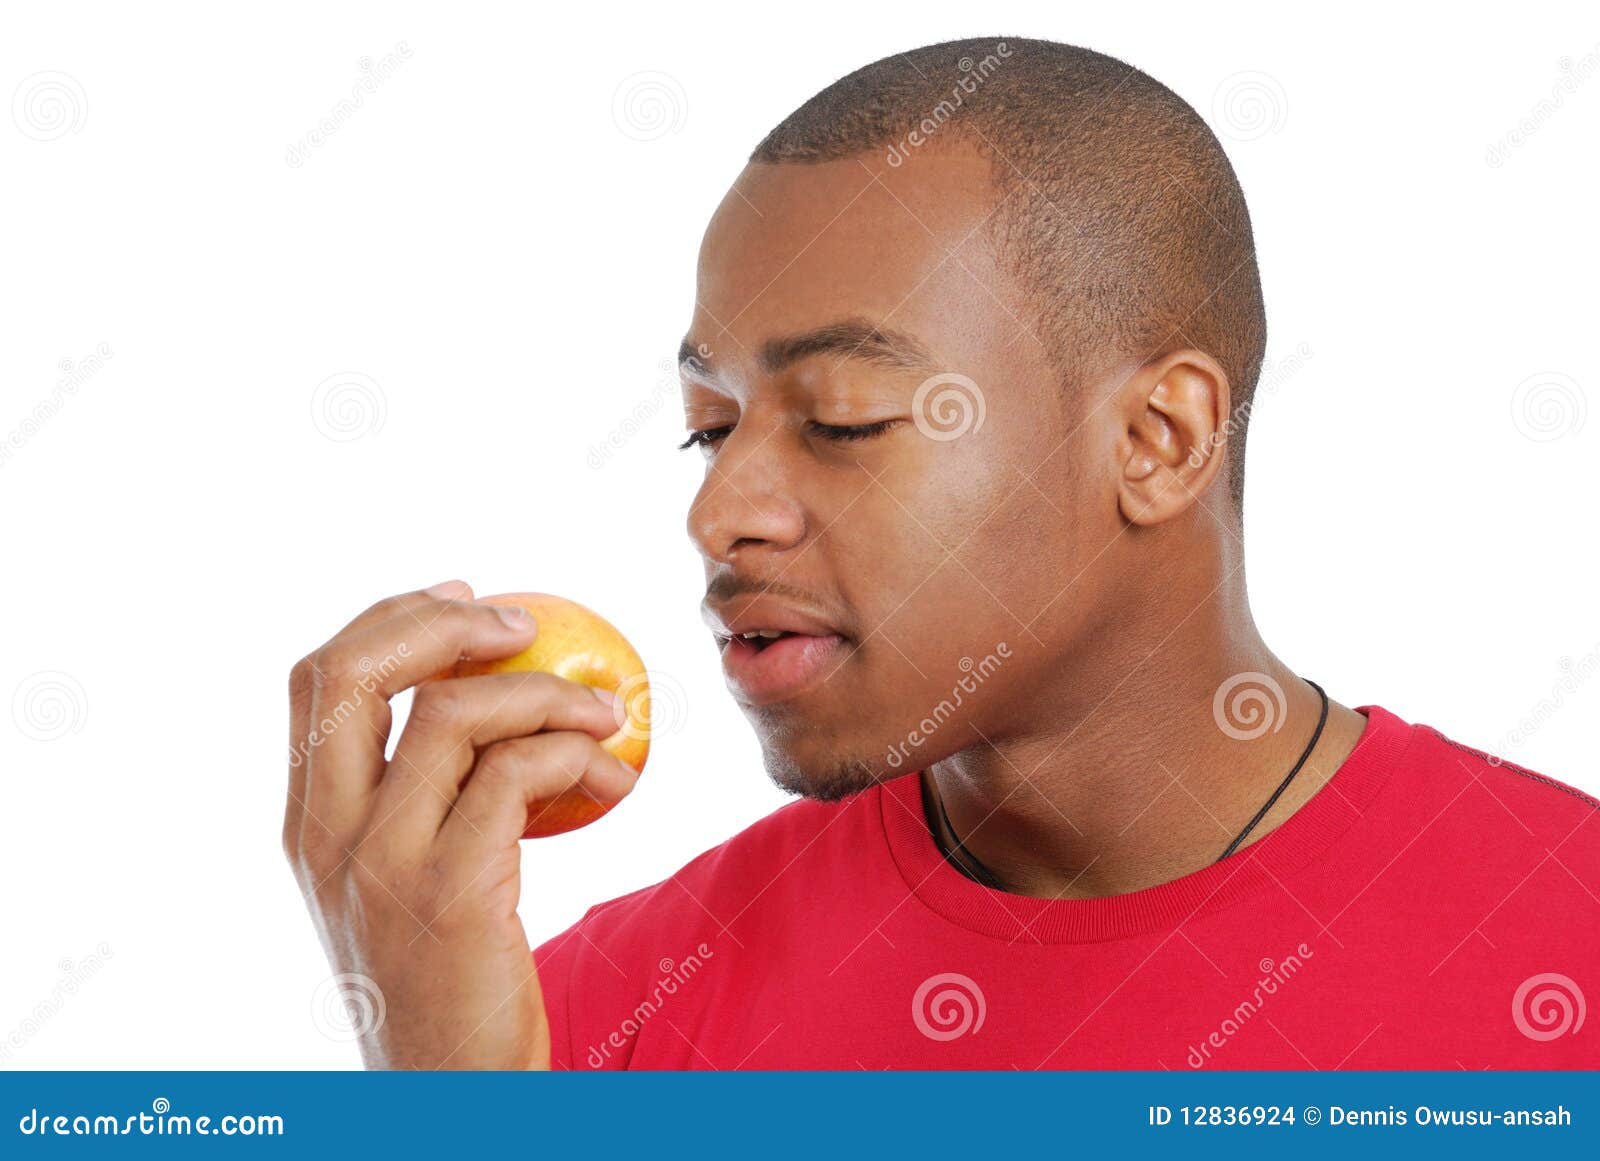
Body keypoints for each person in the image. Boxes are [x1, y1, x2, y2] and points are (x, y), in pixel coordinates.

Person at [284, 37, 1599, 1069]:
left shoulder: (1563, 947)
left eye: (845, 417)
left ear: (1156, 437)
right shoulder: (560, 1031)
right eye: (708, 431)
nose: (722, 512)